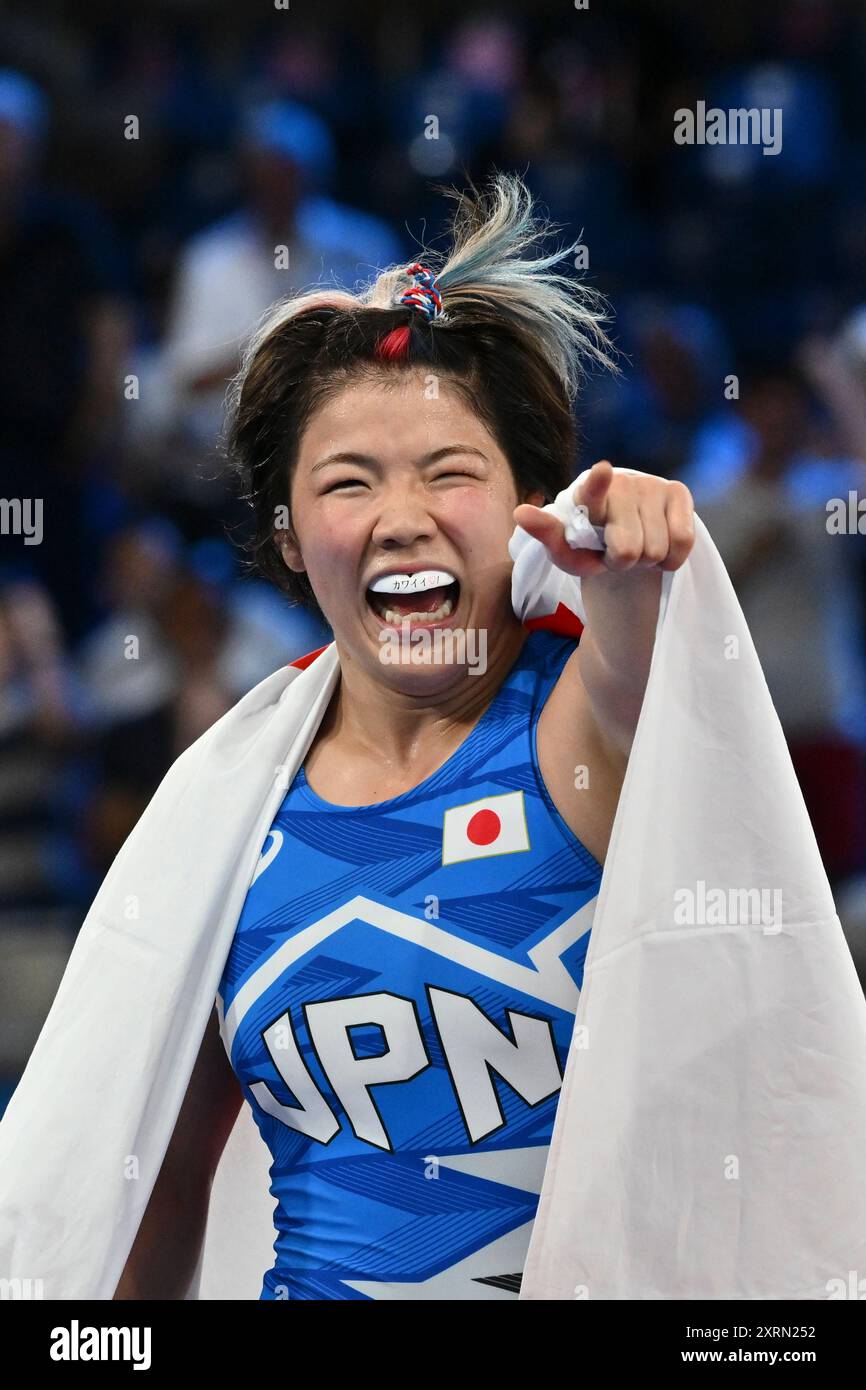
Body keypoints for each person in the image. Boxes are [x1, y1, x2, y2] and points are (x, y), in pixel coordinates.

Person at [113, 171, 695, 1300]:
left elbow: (645, 659)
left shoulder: (583, 723)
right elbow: (162, 1179)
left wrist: (641, 553)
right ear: (288, 538)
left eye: (448, 472)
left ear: (529, 502)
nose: (400, 516)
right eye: (347, 482)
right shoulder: (226, 806)